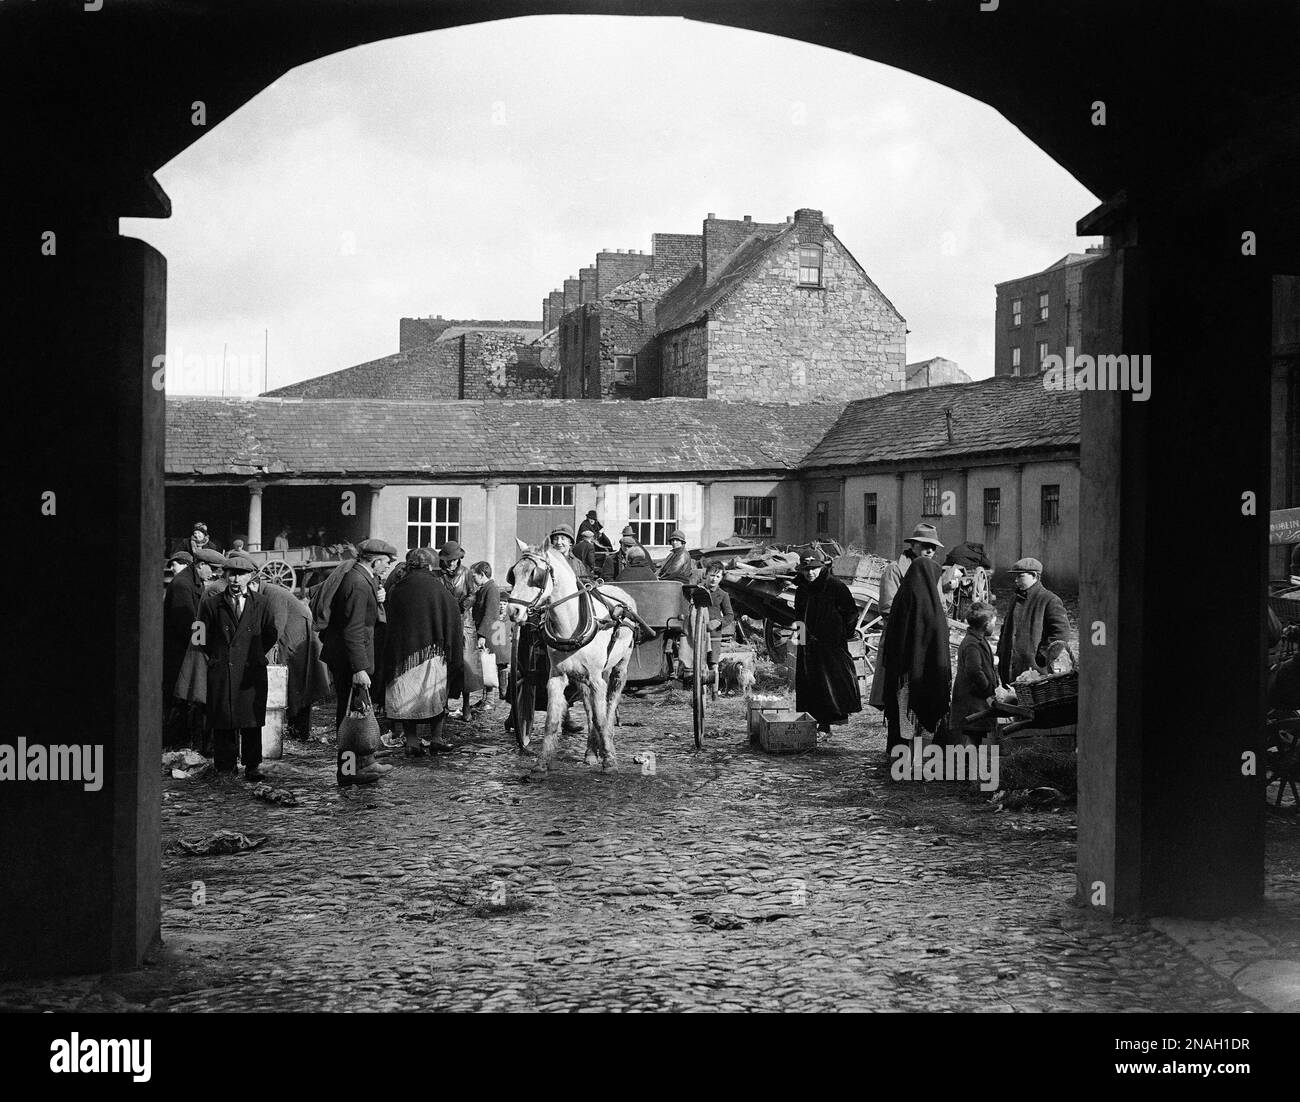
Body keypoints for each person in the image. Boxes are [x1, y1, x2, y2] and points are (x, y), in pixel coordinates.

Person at [320, 537, 398, 785]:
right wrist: (359, 669)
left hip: (354, 656)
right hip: (350, 660)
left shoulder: (363, 579)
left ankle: (365, 762)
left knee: (359, 712)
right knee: (348, 716)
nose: (387, 567)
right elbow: (352, 630)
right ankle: (348, 771)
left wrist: (379, 599)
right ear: (375, 562)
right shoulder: (358, 584)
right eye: (385, 563)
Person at [198, 552, 280, 783]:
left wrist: (252, 654)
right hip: (222, 668)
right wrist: (217, 656)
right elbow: (199, 636)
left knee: (251, 718)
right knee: (223, 717)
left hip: (250, 669)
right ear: (224, 576)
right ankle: (225, 766)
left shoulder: (262, 603)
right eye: (231, 574)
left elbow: (271, 633)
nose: (235, 579)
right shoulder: (211, 604)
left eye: (241, 575)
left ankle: (252, 765)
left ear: (250, 577)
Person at [384, 547, 464, 756]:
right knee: (436, 696)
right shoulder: (438, 589)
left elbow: (388, 622)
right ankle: (436, 738)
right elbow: (454, 616)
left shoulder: (397, 589)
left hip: (403, 656)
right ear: (430, 566)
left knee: (407, 696)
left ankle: (411, 742)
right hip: (434, 654)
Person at [248, 569, 327, 741]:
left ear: (254, 583)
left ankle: (299, 733)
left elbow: (275, 627)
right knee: (292, 685)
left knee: (297, 683)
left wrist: (256, 653)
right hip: (290, 636)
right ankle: (295, 730)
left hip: (297, 639)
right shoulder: (264, 592)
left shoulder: (273, 594)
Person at [792, 546, 863, 736]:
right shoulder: (801, 590)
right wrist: (803, 640)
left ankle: (827, 724)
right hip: (809, 646)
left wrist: (840, 636)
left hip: (831, 646)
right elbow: (798, 615)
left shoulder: (835, 586)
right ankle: (814, 723)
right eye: (806, 569)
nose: (810, 573)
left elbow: (851, 613)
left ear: (822, 567)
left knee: (831, 684)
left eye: (814, 568)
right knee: (810, 683)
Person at [995, 557, 1071, 685]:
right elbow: (1005, 629)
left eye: (1020, 576)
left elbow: (1061, 632)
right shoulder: (1015, 598)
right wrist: (1001, 652)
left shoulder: (1049, 599)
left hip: (1033, 670)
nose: (1016, 580)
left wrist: (1044, 656)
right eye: (1015, 576)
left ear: (1034, 575)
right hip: (1008, 668)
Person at [948, 601, 999, 747]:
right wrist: (988, 688)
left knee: (975, 736)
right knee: (970, 737)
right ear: (986, 624)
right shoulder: (972, 644)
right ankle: (967, 768)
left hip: (976, 700)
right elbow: (974, 671)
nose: (994, 626)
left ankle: (971, 767)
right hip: (971, 701)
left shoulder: (978, 639)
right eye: (994, 622)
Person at [162, 551, 199, 747]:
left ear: (183, 564)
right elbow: (187, 623)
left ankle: (176, 739)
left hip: (179, 649)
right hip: (178, 650)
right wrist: (201, 642)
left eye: (174, 565)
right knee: (177, 695)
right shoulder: (183, 585)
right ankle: (174, 740)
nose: (172, 569)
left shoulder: (183, 583)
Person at [471, 561, 510, 704]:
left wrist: (482, 635)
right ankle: (486, 699)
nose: (472, 577)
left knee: (489, 666)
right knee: (486, 665)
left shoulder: (491, 589)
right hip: (487, 632)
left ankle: (490, 700)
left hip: (489, 634)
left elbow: (490, 614)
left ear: (482, 575)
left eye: (474, 575)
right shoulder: (485, 588)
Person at [699, 561, 735, 669]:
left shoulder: (723, 595)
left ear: (721, 578)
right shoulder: (697, 591)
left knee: (713, 665)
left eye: (717, 576)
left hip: (714, 634)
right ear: (706, 575)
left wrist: (719, 622)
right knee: (697, 662)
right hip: (698, 632)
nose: (714, 579)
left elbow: (729, 615)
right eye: (712, 575)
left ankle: (714, 684)